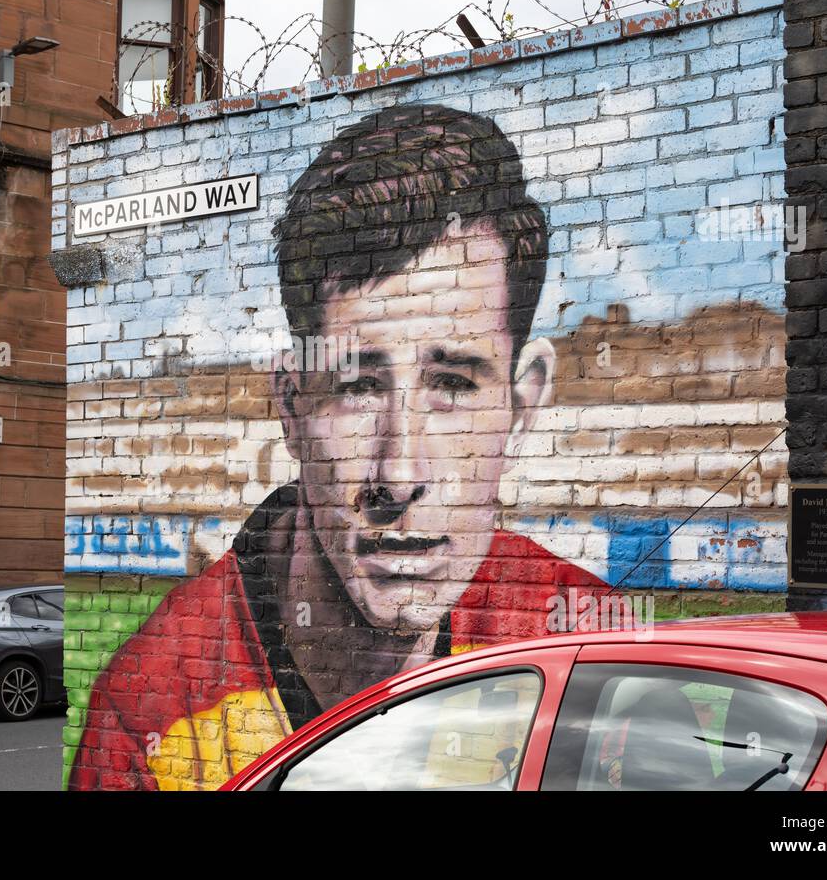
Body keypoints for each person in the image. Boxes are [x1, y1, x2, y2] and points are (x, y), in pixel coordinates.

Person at [68, 104, 612, 790]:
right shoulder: (157, 711)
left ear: (521, 402)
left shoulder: (583, 645)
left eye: (452, 382)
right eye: (357, 386)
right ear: (291, 408)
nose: (400, 472)